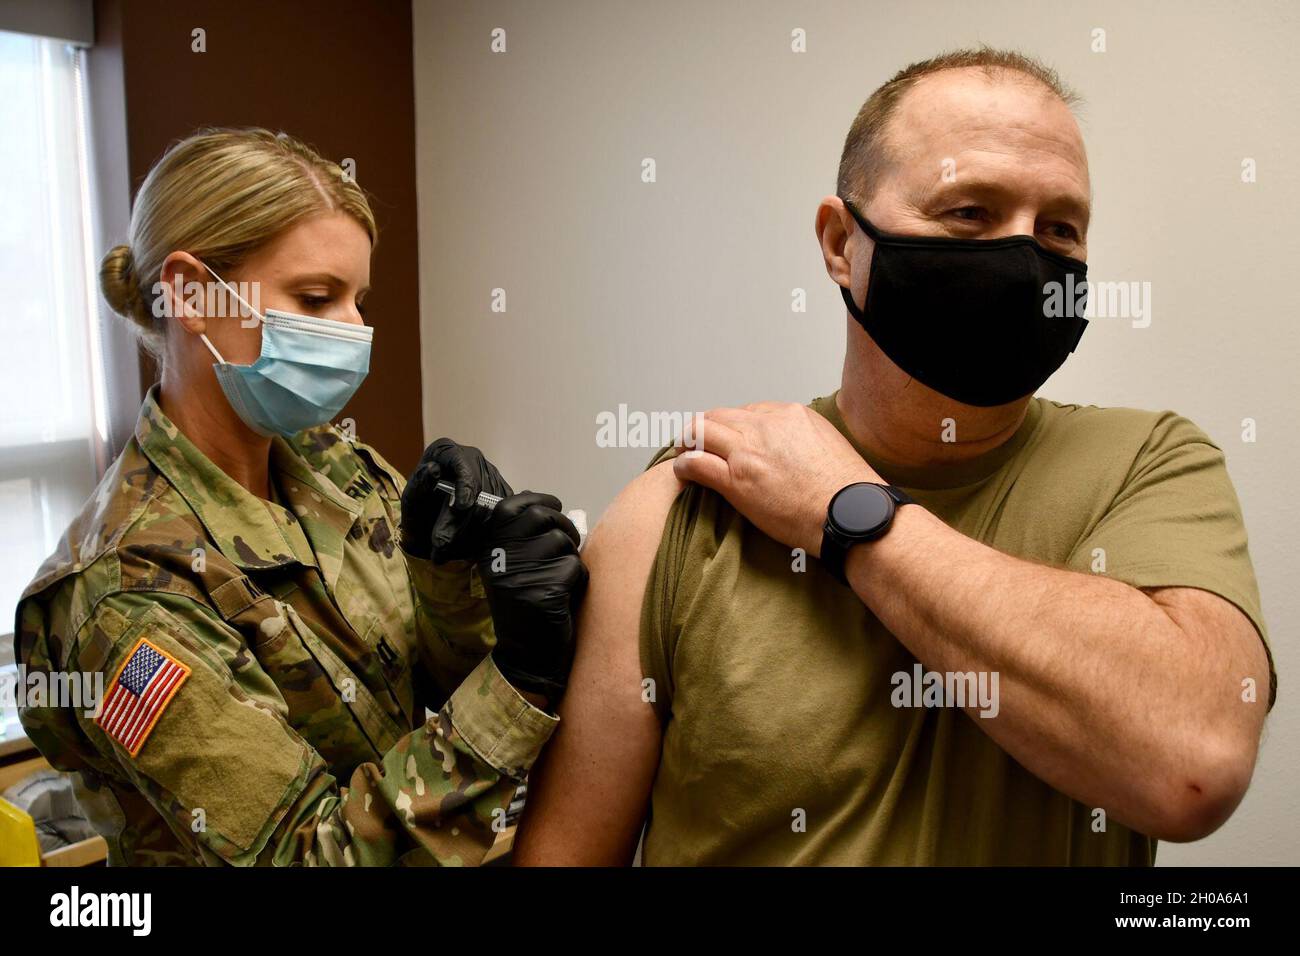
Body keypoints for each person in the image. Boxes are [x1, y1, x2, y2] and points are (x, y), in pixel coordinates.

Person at [514, 49, 1276, 866]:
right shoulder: (693, 497)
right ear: (842, 243)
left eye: (1059, 228)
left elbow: (1194, 762)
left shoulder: (1149, 465)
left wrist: (846, 507)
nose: (1025, 259)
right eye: (970, 214)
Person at [14, 128, 586, 866]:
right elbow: (311, 857)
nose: (355, 329)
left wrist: (455, 576)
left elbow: (436, 691)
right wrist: (522, 680)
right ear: (189, 295)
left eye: (357, 298)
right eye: (316, 297)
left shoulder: (334, 467)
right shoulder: (126, 594)